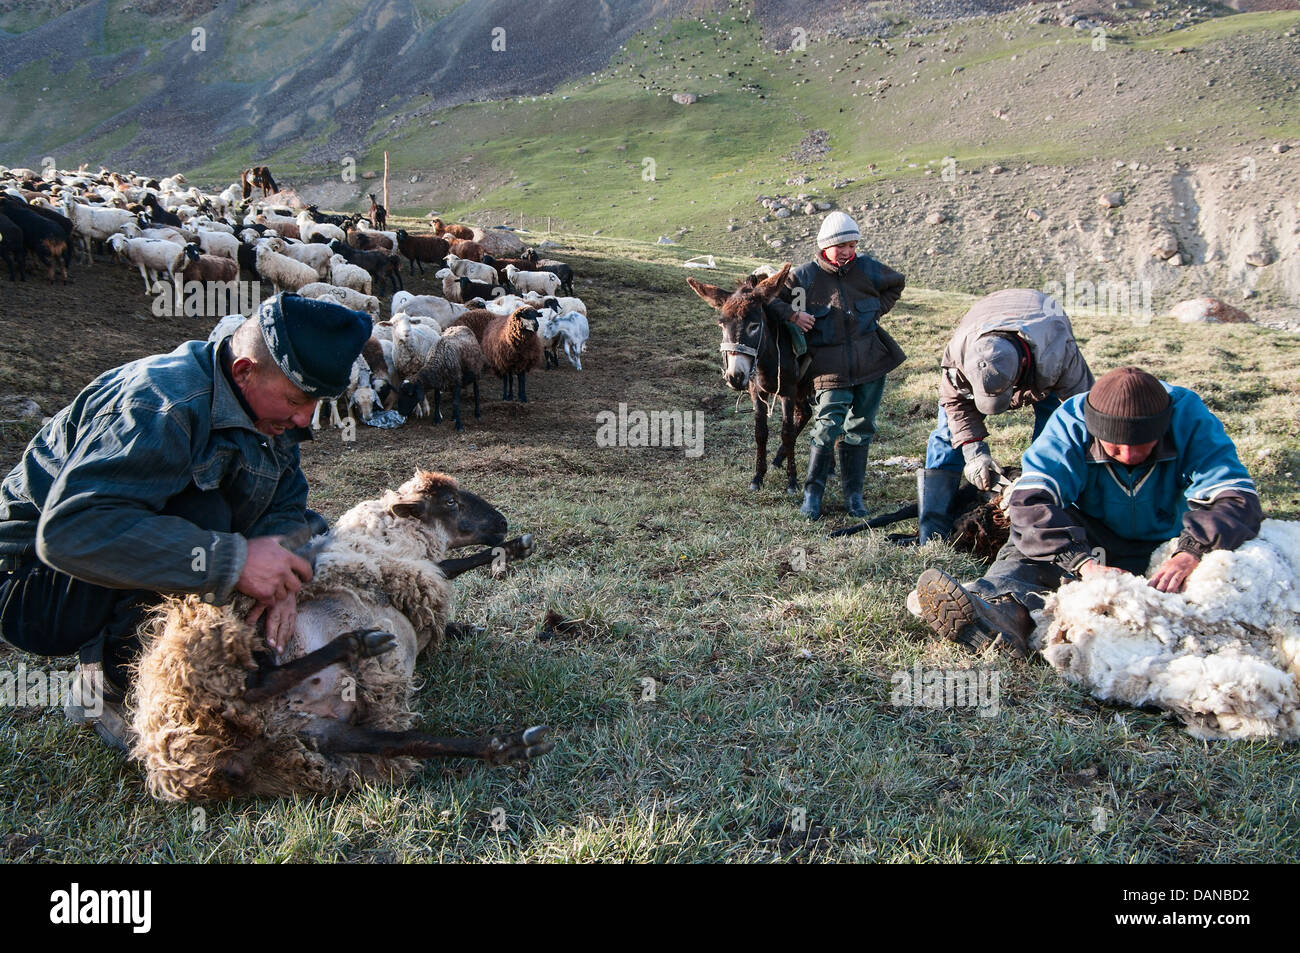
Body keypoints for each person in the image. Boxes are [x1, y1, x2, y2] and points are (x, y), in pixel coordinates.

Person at [0, 292, 372, 749]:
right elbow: (70, 531)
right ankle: (110, 683)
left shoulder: (267, 411)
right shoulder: (164, 406)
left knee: (307, 531)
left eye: (314, 403)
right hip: (35, 583)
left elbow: (285, 501)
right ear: (243, 370)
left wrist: (280, 574)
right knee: (204, 514)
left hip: (95, 548)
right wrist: (233, 562)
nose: (304, 418)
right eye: (296, 400)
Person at [913, 366, 1262, 656]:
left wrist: (1190, 552)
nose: (1127, 455)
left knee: (1229, 573)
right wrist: (1084, 564)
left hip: (1170, 543)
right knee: (1026, 542)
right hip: (1090, 537)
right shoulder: (1072, 420)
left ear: (1162, 428)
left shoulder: (1188, 415)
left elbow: (1235, 497)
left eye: (1141, 446)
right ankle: (999, 614)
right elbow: (1032, 500)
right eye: (1115, 447)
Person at [915, 288, 1094, 543]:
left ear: (1021, 366)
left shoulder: (1058, 354)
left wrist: (1038, 475)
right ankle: (932, 529)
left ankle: (1046, 506)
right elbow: (954, 405)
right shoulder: (959, 356)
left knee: (1056, 431)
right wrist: (973, 452)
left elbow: (1082, 411)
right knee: (947, 435)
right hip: (985, 316)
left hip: (1041, 325)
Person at [766, 211, 906, 520]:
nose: (847, 251)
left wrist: (875, 310)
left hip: (871, 362)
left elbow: (897, 283)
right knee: (828, 427)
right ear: (825, 245)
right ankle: (812, 494)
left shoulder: (868, 269)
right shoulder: (804, 277)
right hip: (829, 368)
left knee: (862, 428)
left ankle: (853, 496)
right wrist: (793, 315)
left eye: (852, 244)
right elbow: (770, 299)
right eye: (840, 245)